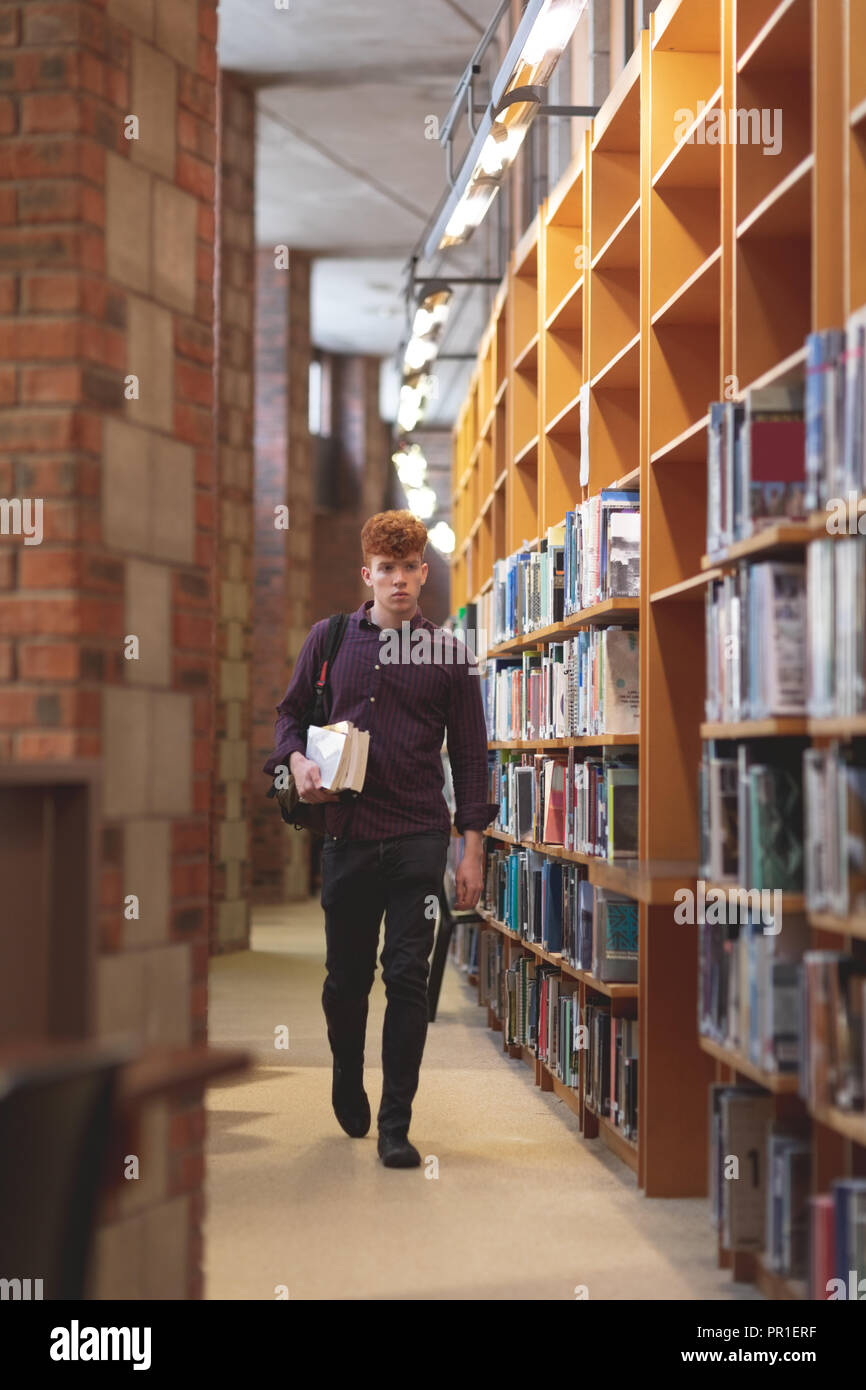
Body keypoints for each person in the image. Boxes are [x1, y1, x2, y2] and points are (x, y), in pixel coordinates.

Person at [263, 509, 499, 1169]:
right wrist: (297, 763)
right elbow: (287, 716)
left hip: (421, 834)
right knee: (345, 982)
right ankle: (345, 1070)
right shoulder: (330, 639)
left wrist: (470, 844)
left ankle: (396, 1123)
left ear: (425, 573)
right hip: (348, 835)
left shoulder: (448, 656)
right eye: (385, 570)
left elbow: (473, 757)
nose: (398, 581)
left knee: (408, 979)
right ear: (367, 574)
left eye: (408, 569)